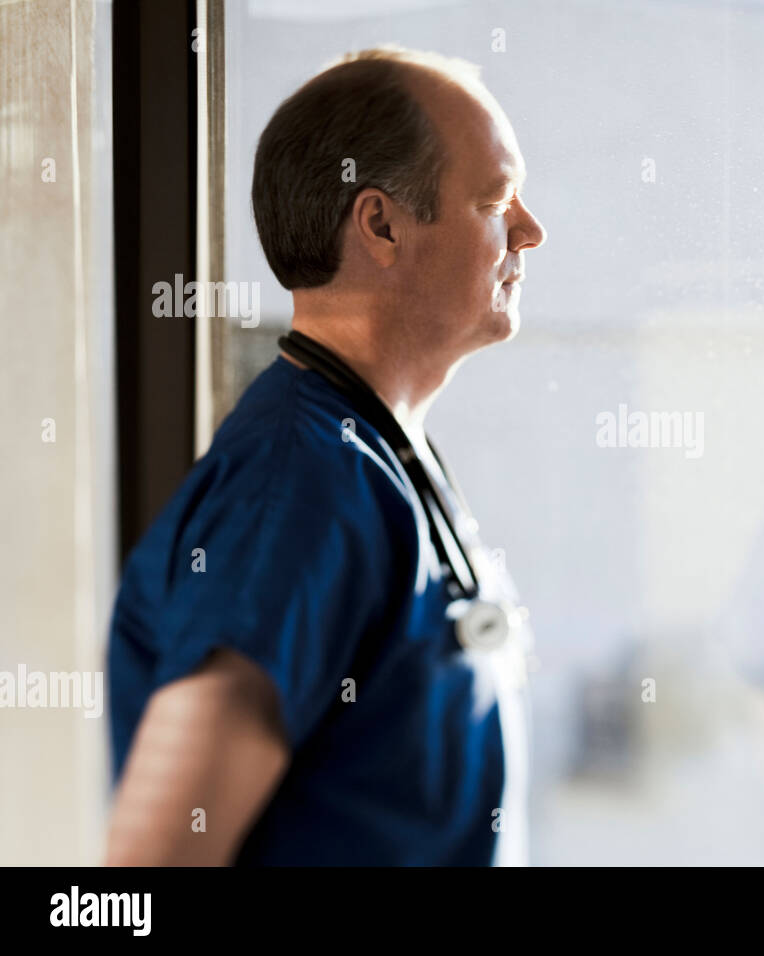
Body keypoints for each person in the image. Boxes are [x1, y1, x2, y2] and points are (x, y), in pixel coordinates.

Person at [104, 47, 546, 866]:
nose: (530, 231)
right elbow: (150, 865)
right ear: (380, 225)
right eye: (497, 201)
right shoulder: (300, 487)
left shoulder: (377, 454)